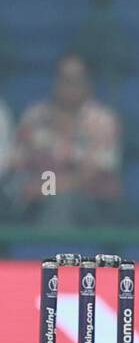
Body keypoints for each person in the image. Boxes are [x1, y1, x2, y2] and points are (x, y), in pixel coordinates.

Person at [9, 53, 123, 226]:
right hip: (34, 198)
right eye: (62, 78)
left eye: (74, 80)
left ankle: (49, 251)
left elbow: (89, 175)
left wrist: (47, 189)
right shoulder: (34, 116)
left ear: (88, 84)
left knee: (62, 201)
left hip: (91, 202)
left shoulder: (103, 121)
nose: (67, 86)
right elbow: (16, 163)